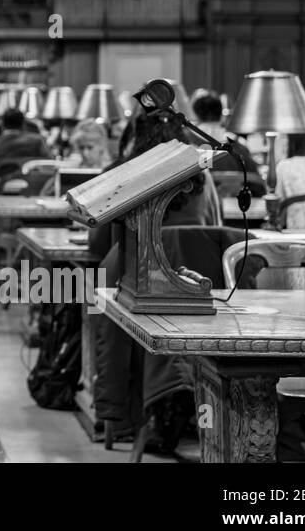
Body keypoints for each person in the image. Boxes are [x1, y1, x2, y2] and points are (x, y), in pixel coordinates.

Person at [89, 110, 224, 455]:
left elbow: (98, 245)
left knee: (87, 290)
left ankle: (121, 411)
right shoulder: (201, 176)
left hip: (138, 276)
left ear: (134, 137)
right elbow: (215, 225)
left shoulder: (124, 173)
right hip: (202, 277)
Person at [0, 108, 50, 176]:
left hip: (1, 185)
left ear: (2, 124)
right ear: (23, 123)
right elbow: (50, 163)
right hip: (35, 185)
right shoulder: (38, 141)